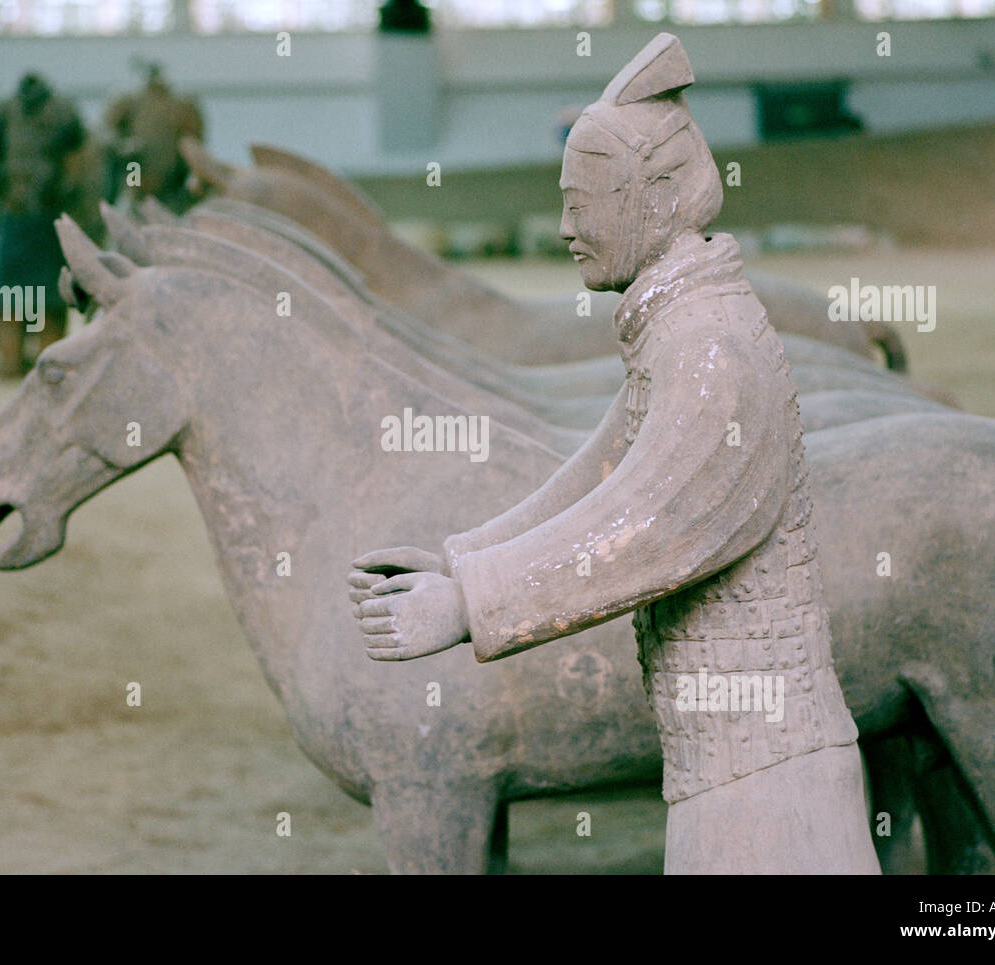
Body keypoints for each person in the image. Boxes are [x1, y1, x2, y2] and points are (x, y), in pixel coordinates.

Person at [347, 34, 880, 874]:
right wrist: (461, 558)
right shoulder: (674, 329)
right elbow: (601, 477)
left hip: (767, 769)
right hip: (728, 759)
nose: (564, 227)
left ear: (660, 196)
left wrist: (468, 604)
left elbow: (652, 525)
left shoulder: (709, 346)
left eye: (586, 200)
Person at [0, 72, 84, 377]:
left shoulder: (63, 110)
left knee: (51, 299)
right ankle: (9, 363)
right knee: (8, 299)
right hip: (13, 215)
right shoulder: (3, 109)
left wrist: (67, 187)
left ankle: (49, 365)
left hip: (48, 217)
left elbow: (76, 152)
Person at [103, 63, 203, 215]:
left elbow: (196, 141)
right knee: (131, 209)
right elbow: (106, 132)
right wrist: (123, 145)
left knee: (172, 219)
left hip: (171, 181)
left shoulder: (182, 103)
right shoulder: (128, 100)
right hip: (135, 169)